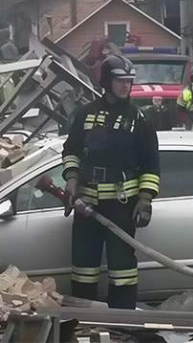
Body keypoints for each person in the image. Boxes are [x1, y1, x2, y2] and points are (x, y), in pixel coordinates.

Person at [61, 55, 160, 309]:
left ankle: (122, 322)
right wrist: (71, 178)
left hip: (121, 206)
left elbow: (151, 163)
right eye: (120, 80)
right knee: (83, 267)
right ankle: (81, 321)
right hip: (86, 204)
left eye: (129, 81)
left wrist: (145, 199)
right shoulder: (85, 114)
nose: (125, 85)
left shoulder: (139, 119)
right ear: (106, 81)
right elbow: (71, 150)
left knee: (123, 269)